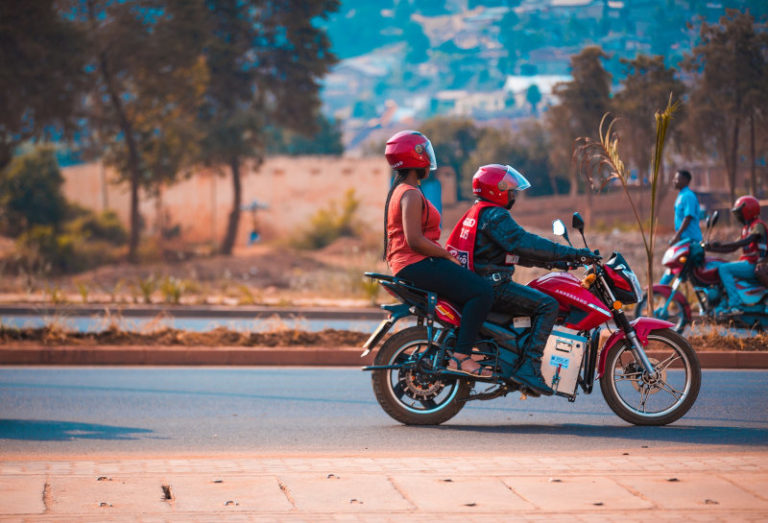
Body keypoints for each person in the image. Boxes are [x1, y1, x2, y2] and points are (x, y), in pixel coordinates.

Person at [446, 164, 597, 396]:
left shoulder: (479, 211)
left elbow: (512, 253)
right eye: (510, 190)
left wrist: (559, 262)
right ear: (496, 190)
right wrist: (573, 253)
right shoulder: (496, 215)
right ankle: (529, 366)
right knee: (548, 305)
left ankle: (517, 357)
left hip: (481, 281)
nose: (514, 195)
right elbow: (524, 243)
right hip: (494, 286)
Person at [384, 130, 493, 378]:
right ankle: (462, 356)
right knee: (482, 291)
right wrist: (446, 256)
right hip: (416, 263)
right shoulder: (410, 194)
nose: (430, 162)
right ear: (416, 158)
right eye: (425, 152)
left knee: (468, 289)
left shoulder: (401, 190)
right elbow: (415, 240)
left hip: (409, 263)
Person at [704, 195, 768, 315]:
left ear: (747, 211)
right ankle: (723, 303)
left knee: (723, 269)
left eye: (739, 212)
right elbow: (734, 247)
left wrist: (722, 245)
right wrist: (713, 248)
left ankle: (735, 304)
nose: (738, 216)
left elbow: (747, 241)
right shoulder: (746, 228)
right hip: (749, 262)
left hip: (756, 263)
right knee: (720, 265)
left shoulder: (757, 225)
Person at [664, 170, 703, 284]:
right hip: (684, 239)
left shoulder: (688, 196)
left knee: (673, 265)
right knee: (682, 270)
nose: (674, 181)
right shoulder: (681, 195)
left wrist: (677, 235)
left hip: (690, 240)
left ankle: (660, 289)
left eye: (677, 179)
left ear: (686, 181)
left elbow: (688, 216)